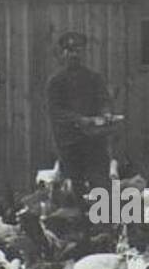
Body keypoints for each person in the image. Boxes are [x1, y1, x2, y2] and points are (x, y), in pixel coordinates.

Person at [46, 31, 111, 189]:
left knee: (100, 183)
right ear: (63, 54)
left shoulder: (94, 78)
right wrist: (78, 119)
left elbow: (104, 100)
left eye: (78, 51)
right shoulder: (56, 81)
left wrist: (106, 114)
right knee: (75, 186)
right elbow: (55, 111)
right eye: (69, 51)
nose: (74, 55)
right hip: (70, 143)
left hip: (94, 142)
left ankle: (101, 212)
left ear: (83, 53)